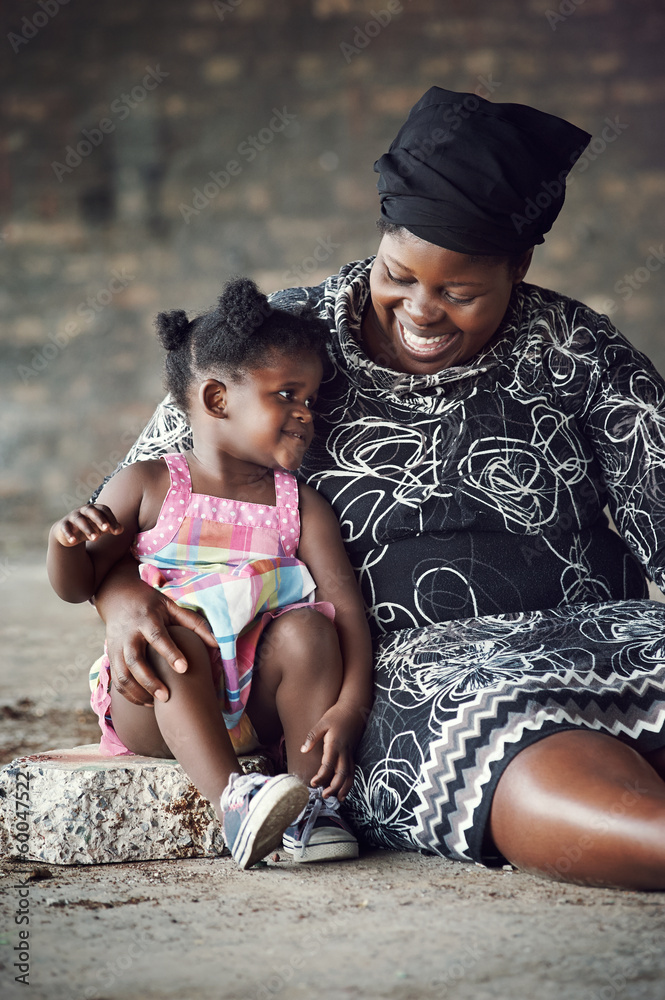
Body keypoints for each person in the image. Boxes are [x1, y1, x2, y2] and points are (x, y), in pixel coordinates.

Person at [93, 87, 665, 890]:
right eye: (399, 276)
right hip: (411, 679)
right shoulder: (278, 346)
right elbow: (149, 497)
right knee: (535, 761)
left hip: (603, 641)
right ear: (379, 239)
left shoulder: (575, 349)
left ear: (520, 266)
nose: (421, 312)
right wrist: (119, 598)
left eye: (460, 293)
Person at [47, 277, 374, 870]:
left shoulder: (299, 505)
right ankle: (237, 802)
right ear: (218, 400)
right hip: (157, 702)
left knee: (309, 629)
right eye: (288, 395)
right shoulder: (148, 485)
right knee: (179, 637)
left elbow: (346, 613)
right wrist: (63, 542)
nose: (306, 414)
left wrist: (349, 706)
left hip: (260, 705)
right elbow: (77, 586)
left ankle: (305, 809)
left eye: (311, 399)